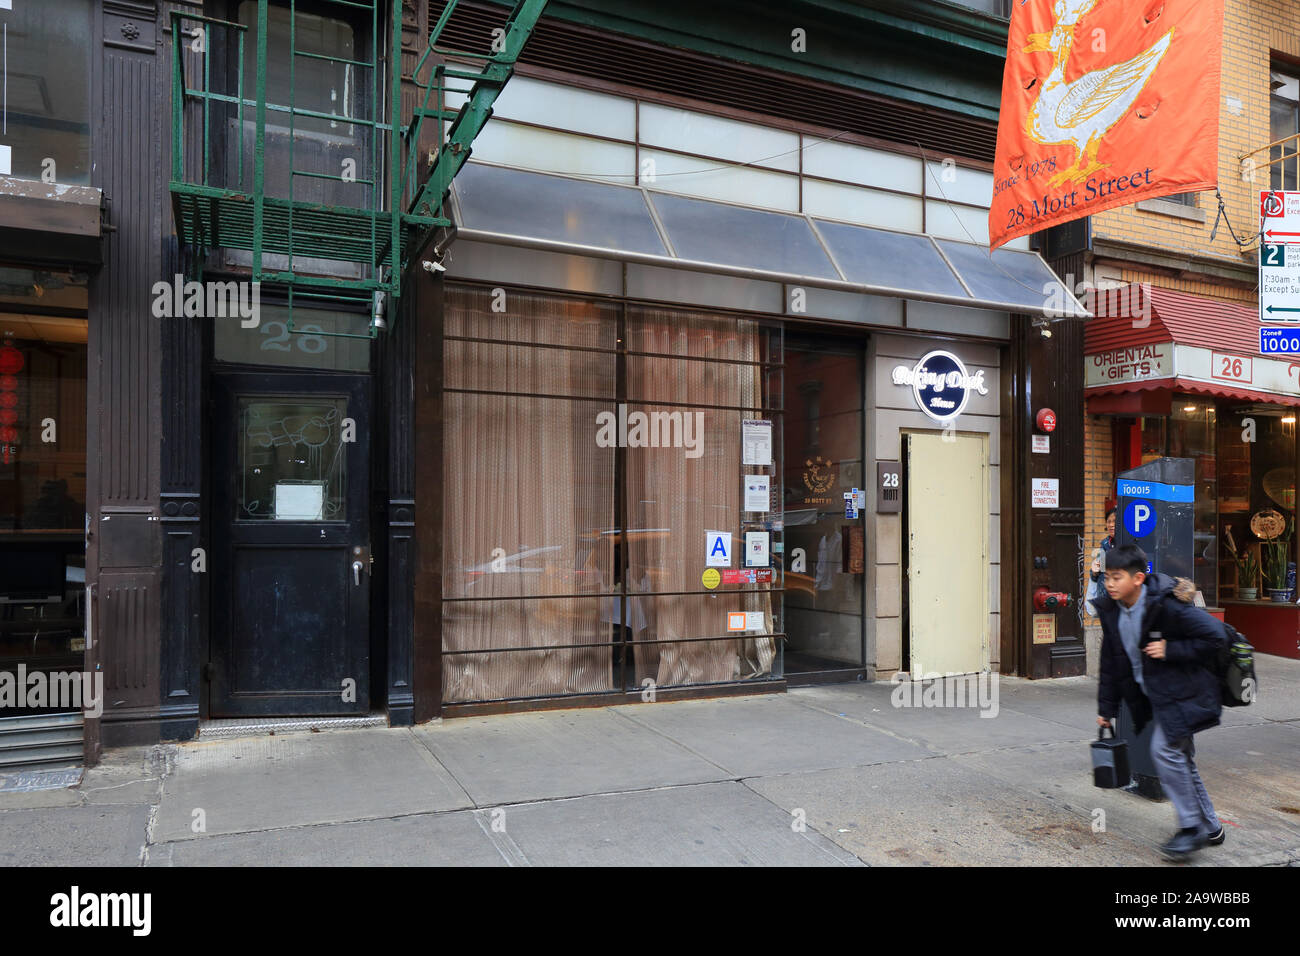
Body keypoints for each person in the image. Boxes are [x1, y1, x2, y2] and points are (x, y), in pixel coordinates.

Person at [1093, 543, 1226, 860]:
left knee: (1164, 751)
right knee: (1182, 760)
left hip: (1185, 693)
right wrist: (1106, 710)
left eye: (1116, 577)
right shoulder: (1113, 610)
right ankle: (1210, 827)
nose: (1109, 583)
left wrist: (1171, 650)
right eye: (1107, 577)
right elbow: (1111, 662)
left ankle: (1190, 829)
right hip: (1157, 696)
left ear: (1138, 578)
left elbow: (1215, 636)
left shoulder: (1167, 606)